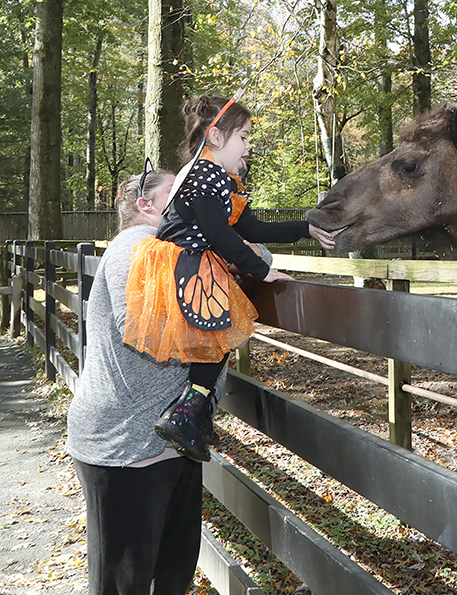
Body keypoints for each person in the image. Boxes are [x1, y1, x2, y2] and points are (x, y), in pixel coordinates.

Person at [123, 95, 336, 462]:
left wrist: (305, 227)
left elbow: (251, 227)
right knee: (217, 335)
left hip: (194, 261)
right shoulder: (202, 174)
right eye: (244, 137)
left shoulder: (224, 180)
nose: (249, 147)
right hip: (184, 263)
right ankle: (188, 416)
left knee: (216, 342)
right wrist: (261, 270)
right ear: (217, 137)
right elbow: (218, 233)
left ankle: (193, 417)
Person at [67, 167, 229, 595]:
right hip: (125, 445)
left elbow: (258, 260)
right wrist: (219, 319)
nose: (195, 197)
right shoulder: (137, 246)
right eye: (179, 192)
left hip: (172, 441)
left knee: (172, 577)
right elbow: (144, 330)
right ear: (146, 206)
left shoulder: (176, 250)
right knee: (124, 584)